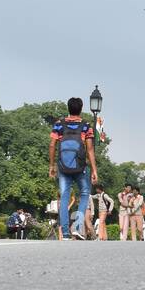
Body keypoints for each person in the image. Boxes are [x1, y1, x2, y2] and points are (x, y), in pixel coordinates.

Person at [48, 97, 98, 240]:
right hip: (81, 167)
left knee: (64, 198)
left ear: (68, 108)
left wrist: (52, 166)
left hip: (63, 167)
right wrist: (94, 170)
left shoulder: (59, 124)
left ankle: (64, 233)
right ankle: (76, 226)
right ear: (81, 109)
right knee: (84, 194)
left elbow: (52, 145)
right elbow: (90, 150)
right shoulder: (85, 125)